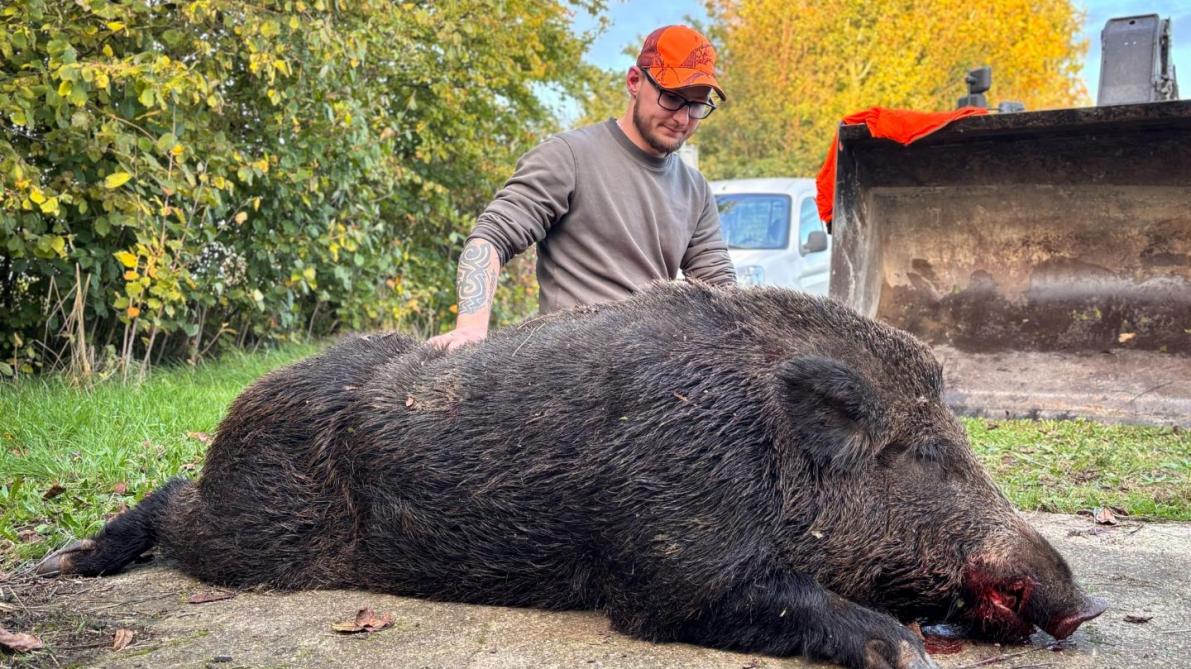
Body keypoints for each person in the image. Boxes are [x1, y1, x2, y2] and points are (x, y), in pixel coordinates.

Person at [428, 25, 737, 351]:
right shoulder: (569, 157)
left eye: (696, 105)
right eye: (672, 98)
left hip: (649, 370)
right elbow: (490, 239)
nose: (682, 118)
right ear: (634, 82)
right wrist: (471, 328)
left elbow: (719, 290)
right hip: (570, 369)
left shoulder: (695, 189)